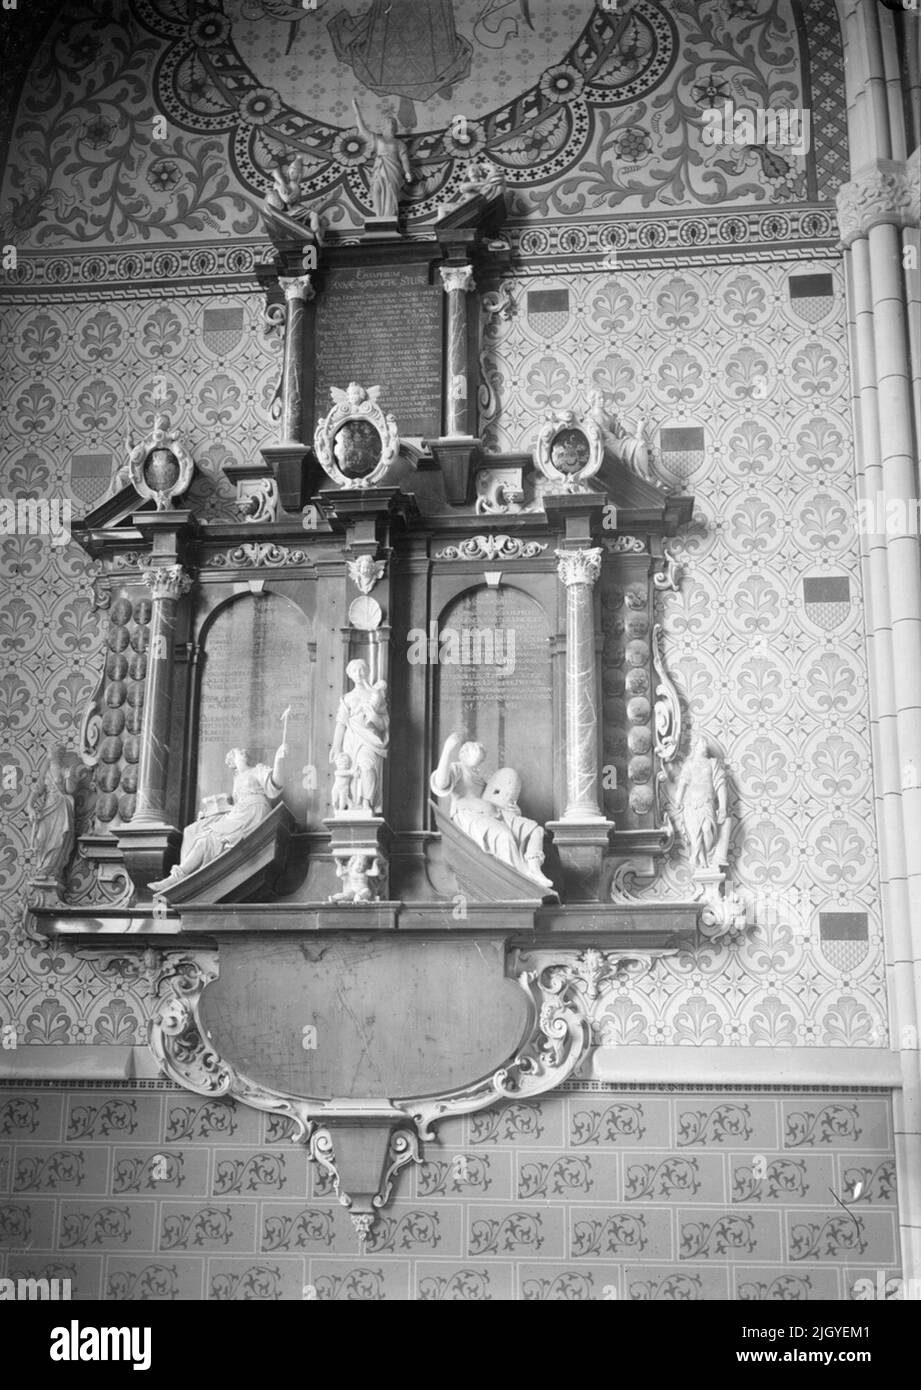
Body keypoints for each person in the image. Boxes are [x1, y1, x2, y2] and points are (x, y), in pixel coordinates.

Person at [151, 742, 287, 890]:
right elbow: (233, 806)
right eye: (236, 754)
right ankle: (178, 878)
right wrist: (208, 814)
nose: (239, 754)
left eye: (240, 752)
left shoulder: (256, 770)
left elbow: (275, 785)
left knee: (209, 839)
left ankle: (178, 879)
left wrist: (279, 760)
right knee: (203, 838)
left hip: (253, 812)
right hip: (239, 814)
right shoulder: (237, 778)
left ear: (246, 757)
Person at [430, 733, 552, 889]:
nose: (478, 762)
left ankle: (534, 870)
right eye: (475, 756)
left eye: (480, 759)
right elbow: (440, 784)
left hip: (493, 814)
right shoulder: (458, 768)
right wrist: (447, 749)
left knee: (535, 829)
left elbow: (494, 800)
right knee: (504, 836)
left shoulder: (481, 778)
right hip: (469, 816)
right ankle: (518, 880)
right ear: (463, 754)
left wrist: (515, 810)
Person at [329, 660, 389, 812]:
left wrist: (373, 716)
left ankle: (367, 802)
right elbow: (341, 724)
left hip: (370, 739)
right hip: (352, 739)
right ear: (349, 675)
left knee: (367, 767)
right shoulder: (347, 698)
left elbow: (384, 723)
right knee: (352, 772)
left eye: (361, 670)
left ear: (367, 671)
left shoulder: (376, 696)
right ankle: (352, 805)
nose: (358, 674)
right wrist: (336, 746)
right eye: (354, 671)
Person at [352, 98, 412, 219]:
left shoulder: (399, 143)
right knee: (376, 190)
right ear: (383, 126)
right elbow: (363, 130)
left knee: (391, 193)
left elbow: (404, 159)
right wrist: (357, 112)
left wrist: (407, 172)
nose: (392, 124)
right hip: (379, 168)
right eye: (389, 122)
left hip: (393, 170)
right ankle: (379, 216)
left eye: (393, 123)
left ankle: (389, 216)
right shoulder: (377, 139)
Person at [675, 736, 728, 869]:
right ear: (695, 746)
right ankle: (702, 861)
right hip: (691, 804)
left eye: (706, 745)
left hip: (707, 802)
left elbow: (720, 785)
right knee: (694, 835)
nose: (704, 747)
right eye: (701, 744)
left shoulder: (713, 763)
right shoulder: (689, 764)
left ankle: (708, 854)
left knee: (706, 829)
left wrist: (722, 807)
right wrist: (678, 800)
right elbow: (682, 783)